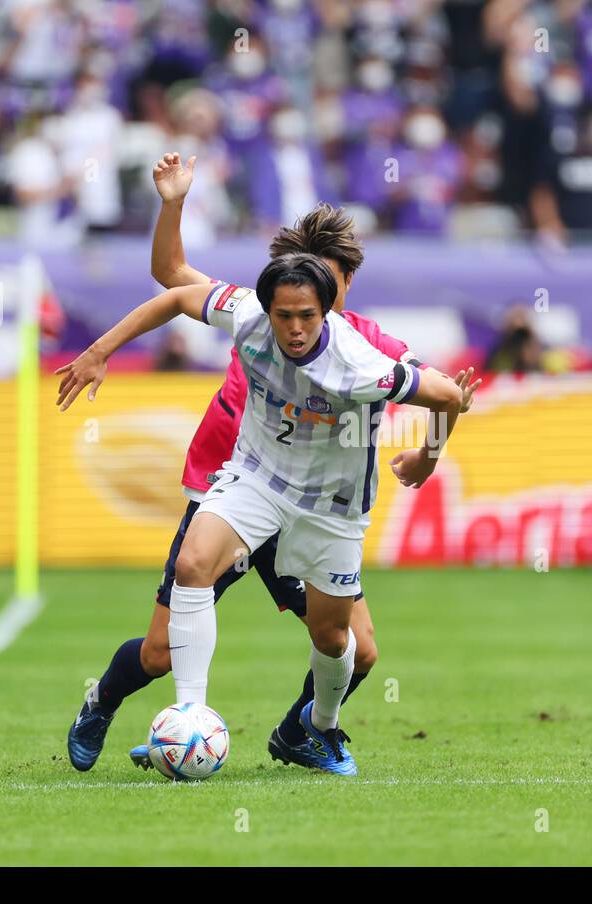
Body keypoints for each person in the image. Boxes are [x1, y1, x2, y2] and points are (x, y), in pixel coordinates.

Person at [63, 153, 479, 775]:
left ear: (343, 286)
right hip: (237, 486)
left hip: (318, 508)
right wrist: (174, 201)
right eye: (295, 301)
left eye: (325, 292)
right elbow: (172, 277)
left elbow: (439, 388)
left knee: (356, 649)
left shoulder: (363, 348)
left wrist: (431, 446)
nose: (303, 316)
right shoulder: (262, 313)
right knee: (159, 650)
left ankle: (301, 731)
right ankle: (111, 704)